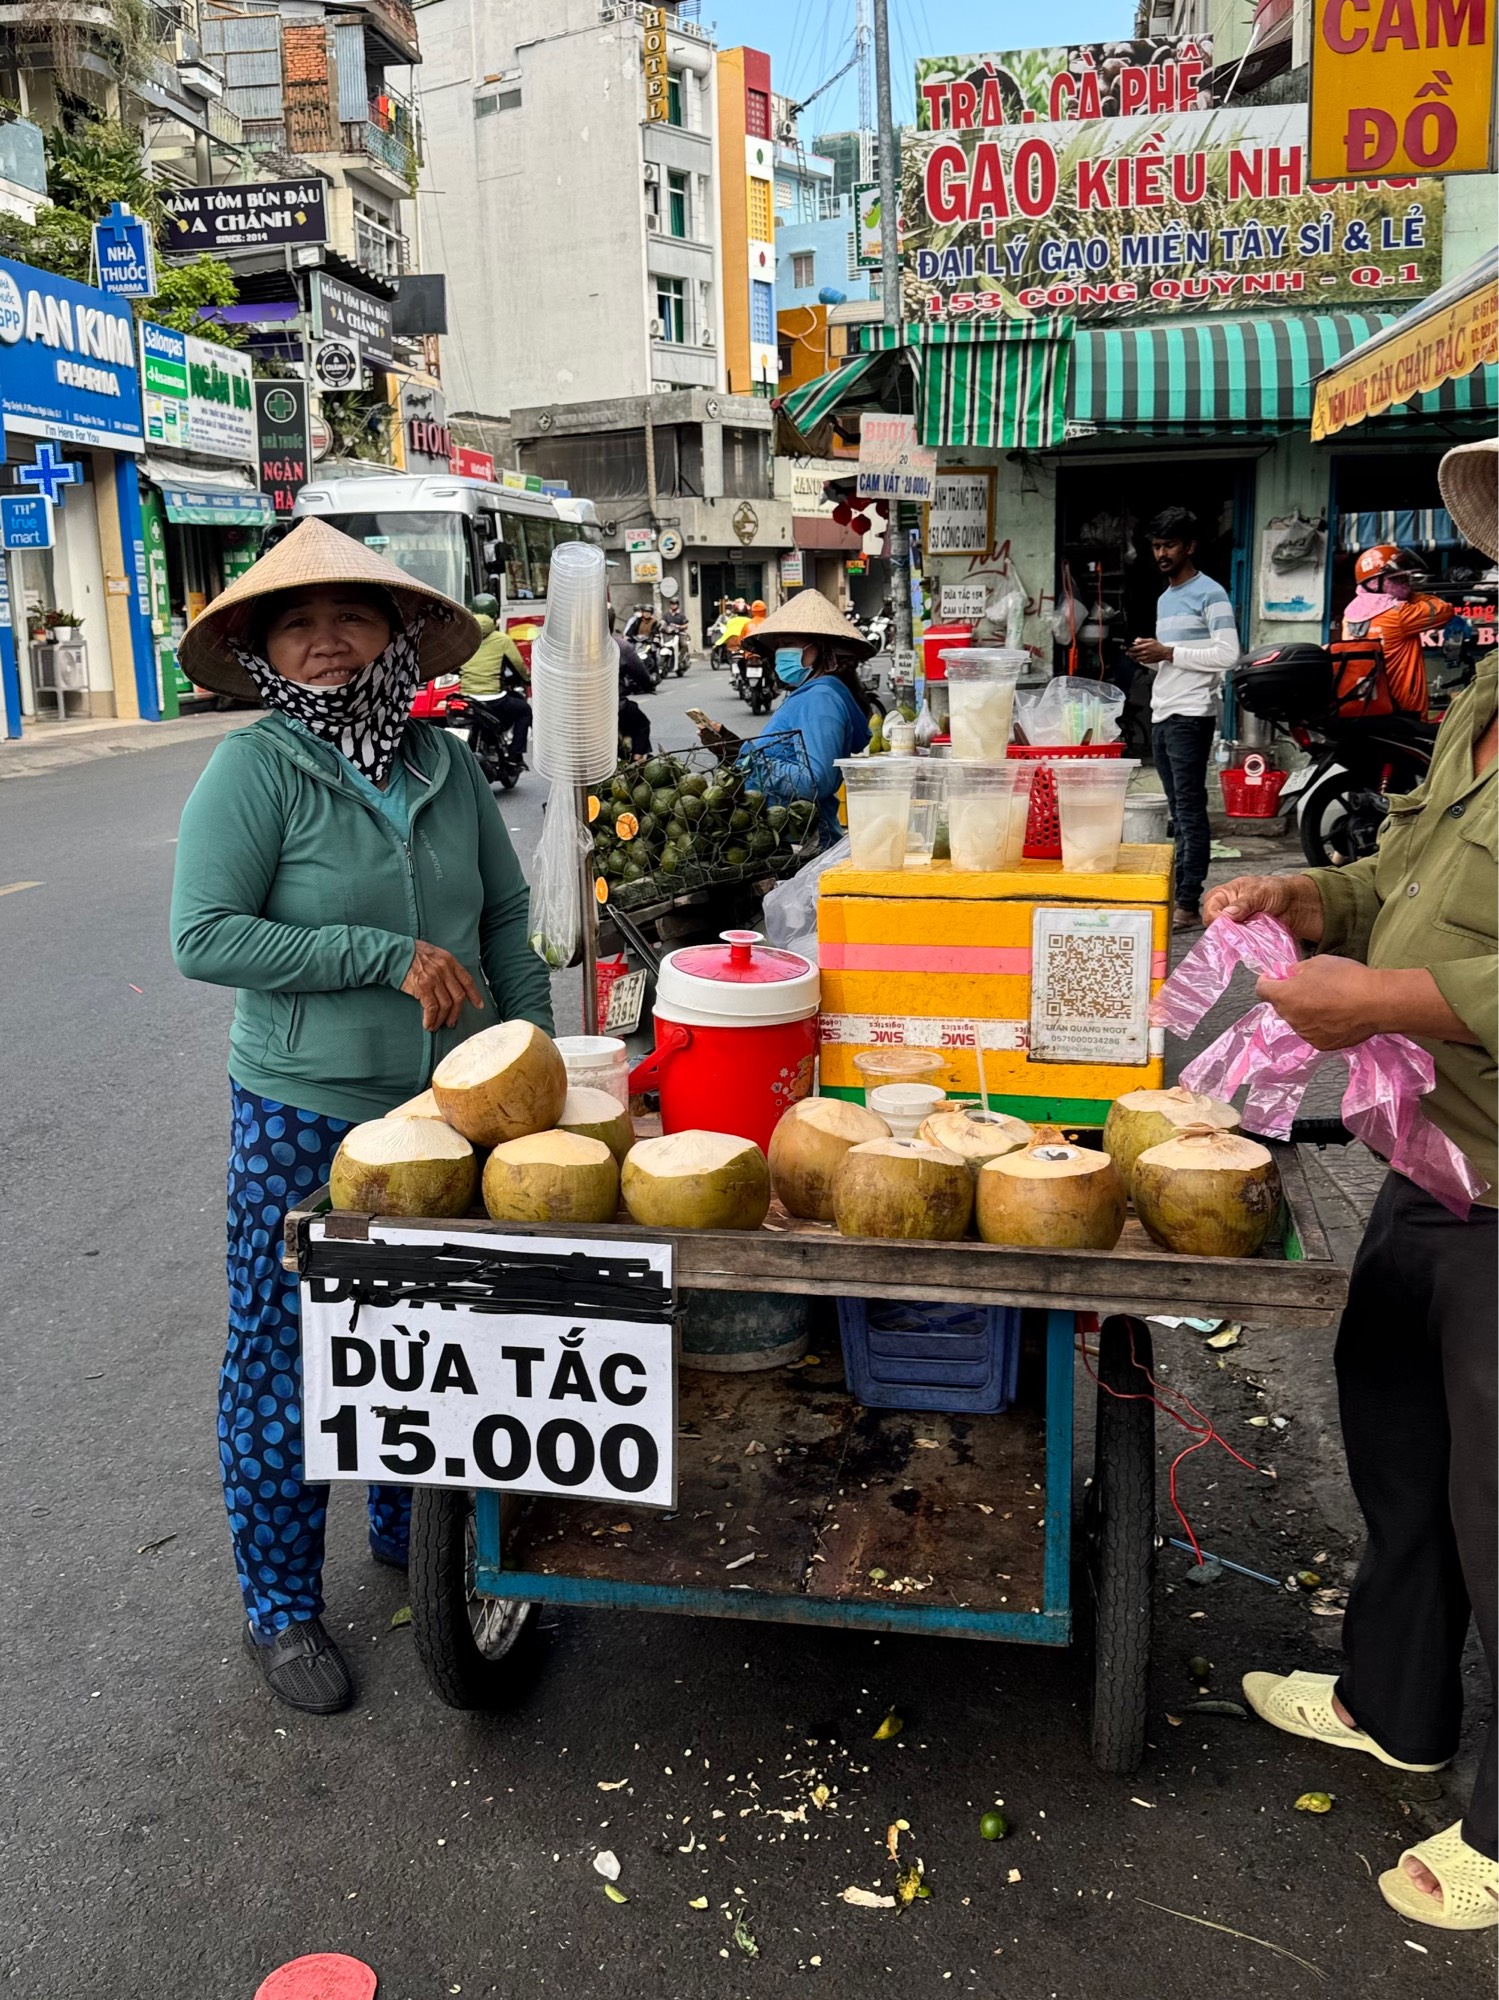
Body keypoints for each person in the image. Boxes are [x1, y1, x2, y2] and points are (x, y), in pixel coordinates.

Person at [169, 520, 554, 1717]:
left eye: (351, 617)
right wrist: (373, 951)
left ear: (395, 637)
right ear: (267, 649)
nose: (327, 640)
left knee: (431, 1335)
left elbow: (503, 924)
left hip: (448, 1106)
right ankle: (280, 1602)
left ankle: (407, 1526)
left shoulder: (444, 764)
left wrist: (542, 1069)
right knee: (283, 1352)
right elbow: (204, 936)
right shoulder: (255, 768)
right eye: (297, 622)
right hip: (302, 1109)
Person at [1213, 436, 1497, 1934]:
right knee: (1398, 1449)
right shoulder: (1477, 712)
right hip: (1427, 1154)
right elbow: (1394, 875)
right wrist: (1304, 896)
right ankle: (1394, 1705)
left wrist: (1381, 1000)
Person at [1127, 506, 1242, 932]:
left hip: (1191, 715)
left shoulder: (1210, 593)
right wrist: (1152, 657)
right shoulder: (1165, 597)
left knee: (1191, 812)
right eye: (1156, 546)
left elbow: (1228, 655)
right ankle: (1182, 893)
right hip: (1163, 711)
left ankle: (1189, 902)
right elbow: (1178, 660)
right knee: (1178, 811)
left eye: (1169, 545)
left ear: (1189, 547)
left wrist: (1168, 652)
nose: (1161, 553)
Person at [702, 592, 875, 847]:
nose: (782, 652)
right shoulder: (808, 694)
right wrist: (732, 747)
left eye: (790, 642)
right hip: (783, 834)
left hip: (804, 841)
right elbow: (785, 757)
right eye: (779, 645)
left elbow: (816, 781)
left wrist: (744, 752)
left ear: (820, 648)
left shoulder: (821, 699)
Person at [1341, 544, 1454, 714]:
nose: (1405, 583)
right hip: (1405, 708)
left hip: (1370, 703)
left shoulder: (1350, 615)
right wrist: (1411, 595)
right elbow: (1444, 610)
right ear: (1374, 583)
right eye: (1396, 580)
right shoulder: (1399, 615)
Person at [460, 595, 531, 760]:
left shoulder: (465, 636)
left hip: (466, 698)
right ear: (494, 615)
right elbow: (518, 666)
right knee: (524, 711)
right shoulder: (502, 640)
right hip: (494, 699)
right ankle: (515, 755)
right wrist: (526, 679)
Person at [611, 607, 653, 760]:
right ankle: (637, 761)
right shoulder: (621, 646)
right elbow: (641, 674)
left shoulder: (573, 649)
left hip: (579, 712)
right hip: (615, 707)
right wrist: (648, 685)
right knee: (642, 725)